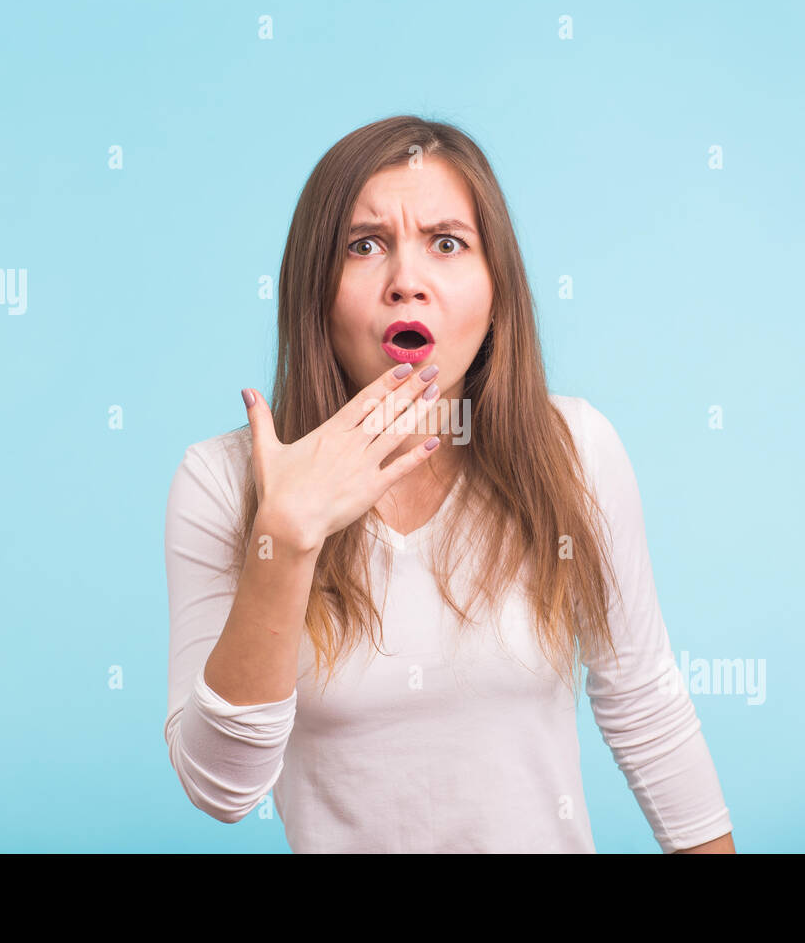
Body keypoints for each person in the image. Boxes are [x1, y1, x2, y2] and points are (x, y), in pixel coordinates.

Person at [163, 115, 736, 853]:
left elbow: (647, 708)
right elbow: (222, 789)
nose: (408, 281)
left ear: (497, 288)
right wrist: (286, 537)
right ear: (316, 289)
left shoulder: (578, 449)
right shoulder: (220, 481)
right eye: (364, 246)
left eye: (447, 243)